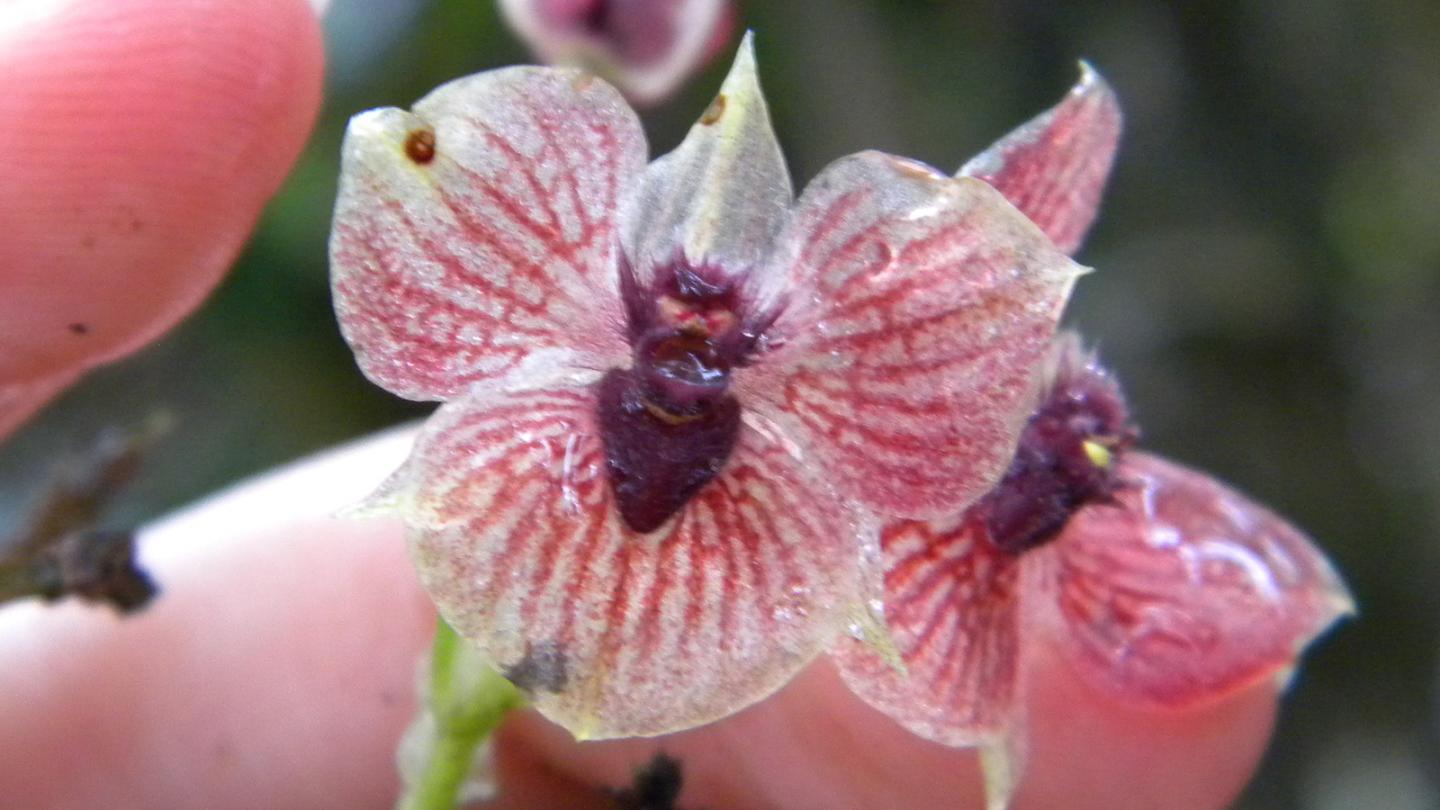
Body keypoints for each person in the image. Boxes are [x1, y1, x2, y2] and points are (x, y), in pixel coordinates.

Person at [0, 1, 1279, 807]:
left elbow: (981, 310)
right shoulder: (515, 216)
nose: (685, 368)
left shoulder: (953, 323)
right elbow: (420, 169)